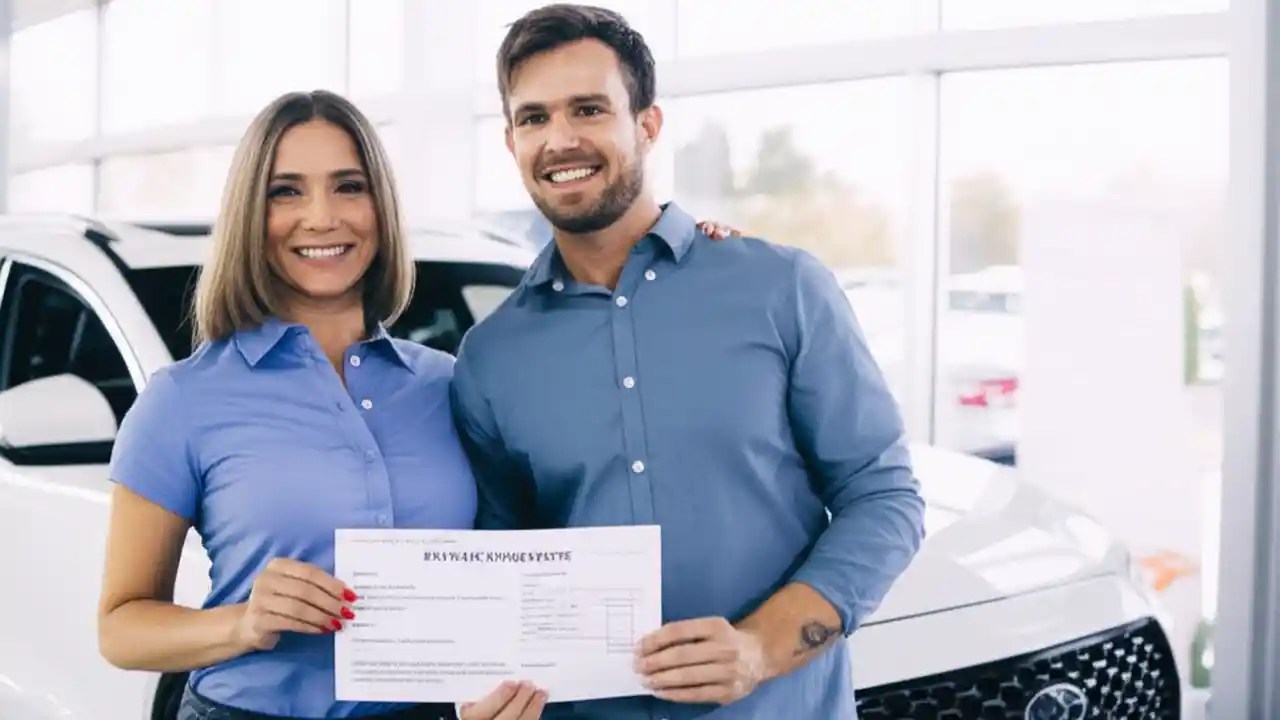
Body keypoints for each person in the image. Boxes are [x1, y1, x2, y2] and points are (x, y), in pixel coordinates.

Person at [449, 4, 928, 719]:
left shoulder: (780, 288)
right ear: (510, 139)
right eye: (533, 118)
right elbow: (502, 565)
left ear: (647, 124)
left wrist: (761, 647)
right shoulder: (491, 358)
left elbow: (884, 498)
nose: (561, 139)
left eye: (588, 109)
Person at [96, 90, 548, 720]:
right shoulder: (182, 401)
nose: (321, 217)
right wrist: (243, 623)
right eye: (286, 191)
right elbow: (120, 629)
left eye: (348, 186)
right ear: (252, 213)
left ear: (380, 207)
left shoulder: (448, 387)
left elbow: (498, 579)